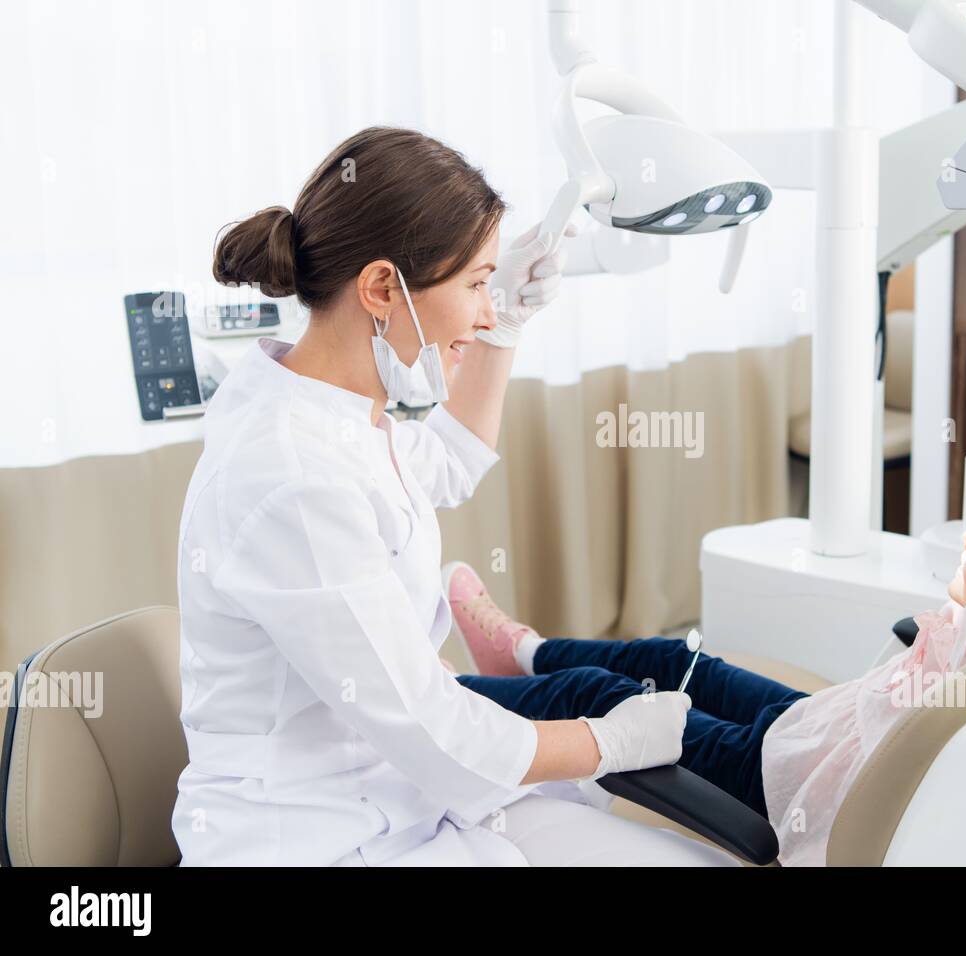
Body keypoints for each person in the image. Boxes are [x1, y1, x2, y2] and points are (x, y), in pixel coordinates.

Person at [172, 127, 729, 866]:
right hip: (314, 832)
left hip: (405, 791)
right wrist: (610, 741)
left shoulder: (342, 405)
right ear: (379, 289)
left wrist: (508, 331)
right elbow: (432, 728)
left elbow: (445, 464)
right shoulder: (289, 474)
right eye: (474, 284)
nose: (486, 310)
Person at [444, 465, 966, 866]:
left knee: (601, 694)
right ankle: (522, 650)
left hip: (775, 779)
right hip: (803, 729)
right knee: (673, 656)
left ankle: (438, 699)